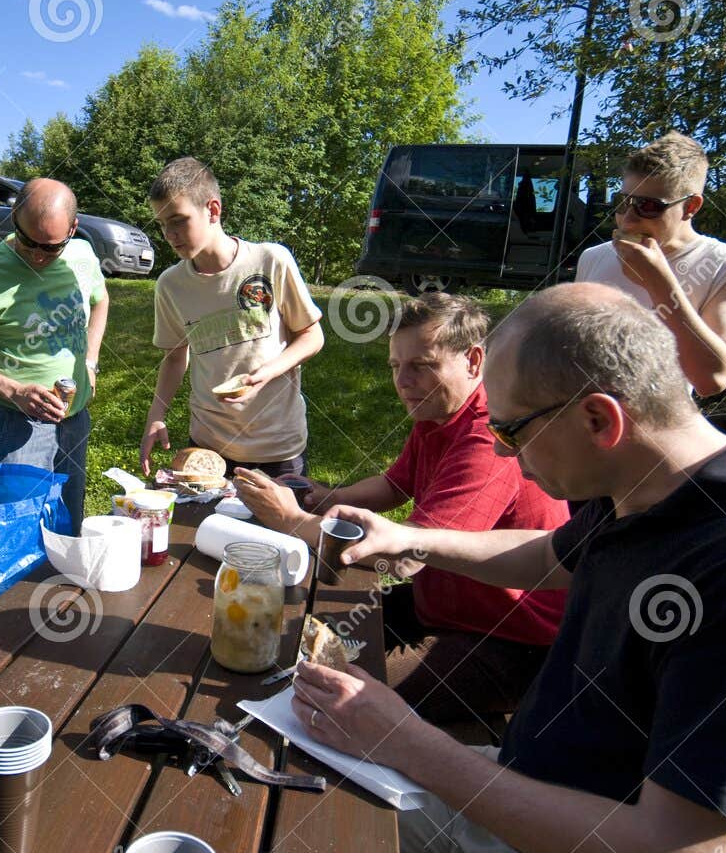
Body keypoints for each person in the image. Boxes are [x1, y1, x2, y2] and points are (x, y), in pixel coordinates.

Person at [291, 283, 726, 853]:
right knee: (294, 786)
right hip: (523, 806)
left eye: (511, 431)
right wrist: (412, 541)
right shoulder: (652, 487)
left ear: (600, 419)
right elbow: (550, 556)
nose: (506, 455)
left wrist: (409, 741)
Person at [233, 292, 567, 723]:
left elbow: (409, 558)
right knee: (298, 638)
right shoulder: (439, 412)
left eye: (421, 366)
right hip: (445, 606)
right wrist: (325, 496)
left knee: (357, 714)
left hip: (510, 639)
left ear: (473, 360)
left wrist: (293, 520)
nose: (402, 381)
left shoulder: (488, 438)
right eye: (395, 366)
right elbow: (396, 484)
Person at [0, 178, 108, 528]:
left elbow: (101, 300)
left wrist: (90, 361)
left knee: (65, 527)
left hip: (74, 421)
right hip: (15, 427)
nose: (39, 256)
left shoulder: (82, 255)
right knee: (9, 532)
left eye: (51, 247)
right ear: (14, 216)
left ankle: (57, 584)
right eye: (29, 243)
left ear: (73, 229)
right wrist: (14, 391)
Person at [139, 157, 324, 478]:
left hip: (278, 444)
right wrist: (156, 415)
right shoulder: (170, 285)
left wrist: (268, 373)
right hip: (208, 445)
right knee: (207, 529)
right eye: (162, 224)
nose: (169, 234)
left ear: (212, 210)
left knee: (278, 529)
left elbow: (312, 335)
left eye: (178, 220)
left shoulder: (270, 260)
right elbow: (173, 357)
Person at [576, 131, 726, 396]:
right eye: (622, 202)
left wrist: (658, 281)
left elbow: (712, 380)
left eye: (648, 207)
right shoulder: (593, 257)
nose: (628, 220)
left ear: (691, 207)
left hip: (657, 431)